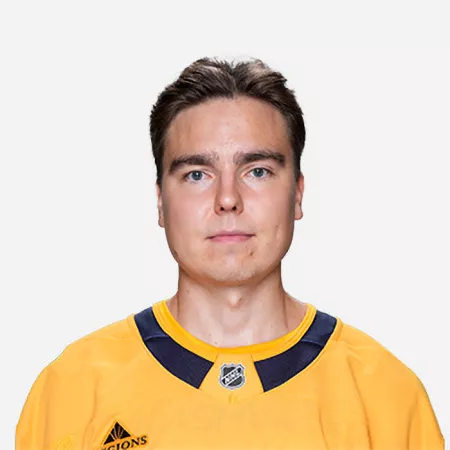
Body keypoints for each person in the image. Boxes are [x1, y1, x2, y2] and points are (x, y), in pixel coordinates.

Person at [16, 57, 444, 450]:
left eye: (257, 171)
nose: (227, 199)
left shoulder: (386, 396)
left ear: (297, 194)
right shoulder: (72, 390)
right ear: (161, 202)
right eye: (196, 174)